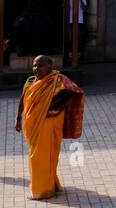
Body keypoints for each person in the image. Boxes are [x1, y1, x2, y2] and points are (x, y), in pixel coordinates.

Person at [14, 54, 83, 200]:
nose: (36, 68)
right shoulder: (30, 81)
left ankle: (42, 190)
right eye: (34, 65)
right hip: (32, 123)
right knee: (39, 154)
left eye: (40, 65)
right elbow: (22, 100)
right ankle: (52, 184)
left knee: (44, 155)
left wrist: (55, 108)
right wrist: (18, 118)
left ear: (49, 67)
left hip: (50, 123)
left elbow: (73, 93)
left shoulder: (58, 80)